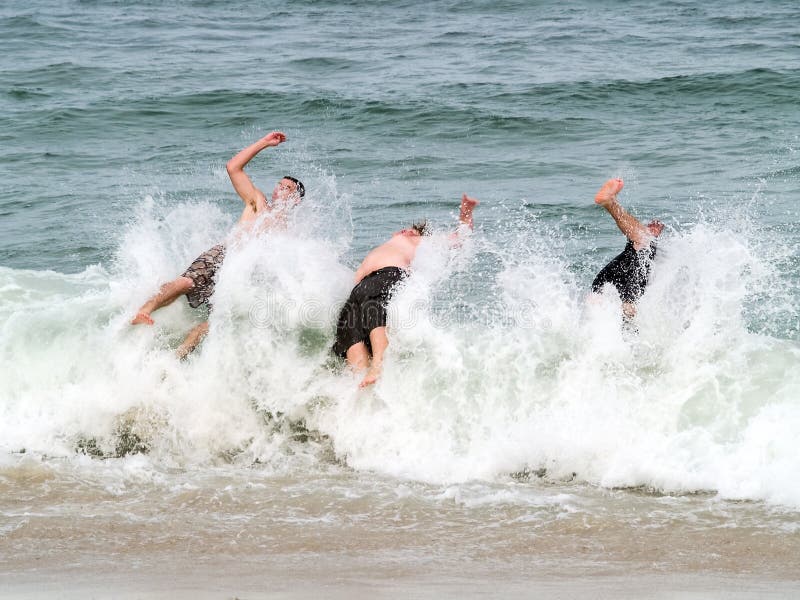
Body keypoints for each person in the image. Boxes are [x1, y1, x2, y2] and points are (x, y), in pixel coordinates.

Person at [130, 131, 305, 358]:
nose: (279, 189)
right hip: (225, 254)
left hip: (241, 276)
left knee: (214, 325)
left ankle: (174, 360)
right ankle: (144, 310)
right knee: (186, 283)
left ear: (296, 199)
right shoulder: (258, 202)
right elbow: (233, 167)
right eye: (278, 185)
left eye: (286, 188)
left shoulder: (291, 233)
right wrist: (263, 143)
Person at [333, 193, 479, 387]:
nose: (406, 230)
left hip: (387, 275)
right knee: (349, 329)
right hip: (359, 289)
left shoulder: (417, 241)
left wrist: (465, 213)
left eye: (412, 230)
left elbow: (459, 239)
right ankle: (358, 387)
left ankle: (378, 364)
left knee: (372, 305)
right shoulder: (387, 245)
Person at [591, 178, 664, 320]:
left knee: (603, 310)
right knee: (643, 241)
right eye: (653, 226)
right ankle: (610, 202)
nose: (655, 225)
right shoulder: (651, 251)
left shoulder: (650, 250)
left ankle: (610, 202)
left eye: (656, 227)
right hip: (622, 281)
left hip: (607, 282)